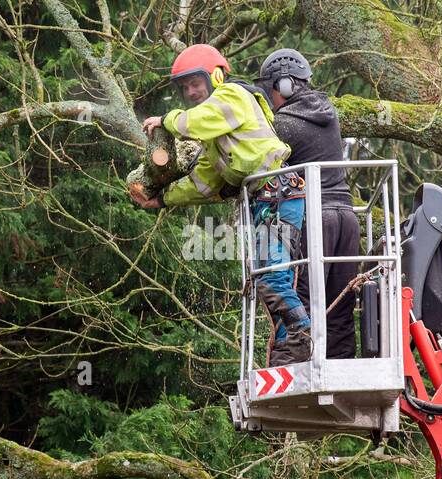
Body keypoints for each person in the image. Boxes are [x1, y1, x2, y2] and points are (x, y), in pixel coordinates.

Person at [132, 44, 313, 365]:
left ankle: (302, 333)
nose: (190, 92)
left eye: (195, 83)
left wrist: (166, 120)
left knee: (272, 277)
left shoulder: (232, 97)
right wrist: (159, 199)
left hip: (279, 192)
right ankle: (289, 352)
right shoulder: (218, 141)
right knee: (271, 280)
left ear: (214, 76)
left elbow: (196, 121)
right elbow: (203, 184)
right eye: (184, 87)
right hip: (266, 198)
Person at [257, 48, 361, 360]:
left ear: (284, 86)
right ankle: (341, 367)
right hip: (346, 218)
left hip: (316, 219)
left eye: (269, 91)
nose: (270, 99)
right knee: (340, 306)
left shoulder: (285, 125)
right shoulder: (327, 113)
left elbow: (258, 161)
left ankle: (289, 368)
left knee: (298, 295)